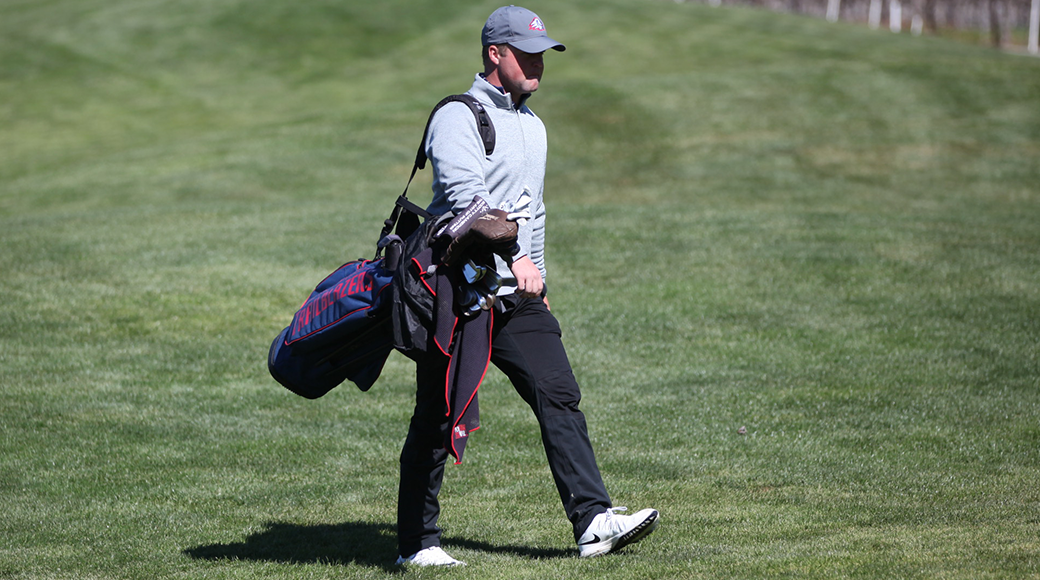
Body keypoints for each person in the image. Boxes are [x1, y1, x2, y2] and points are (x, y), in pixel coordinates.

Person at [395, 6, 659, 567]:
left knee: (558, 392)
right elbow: (471, 204)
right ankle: (417, 545)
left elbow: (530, 210)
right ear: (495, 54)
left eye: (543, 52)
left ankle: (592, 521)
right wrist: (517, 261)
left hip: (516, 293)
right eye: (526, 52)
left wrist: (536, 272)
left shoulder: (533, 126)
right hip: (455, 291)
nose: (538, 62)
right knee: (439, 416)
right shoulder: (457, 117)